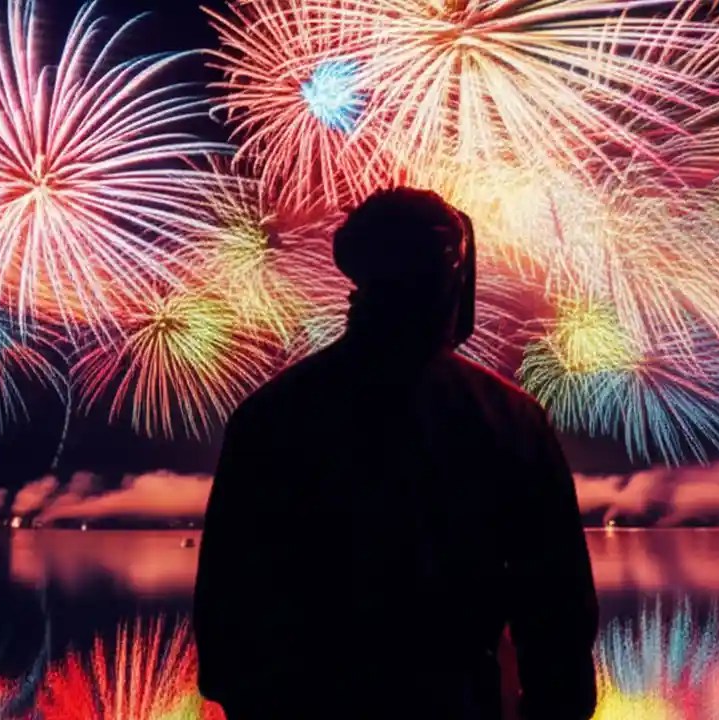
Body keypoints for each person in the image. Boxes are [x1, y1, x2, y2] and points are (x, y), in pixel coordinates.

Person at [194, 188, 599, 720]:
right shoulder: (510, 420)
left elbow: (227, 624)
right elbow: (557, 618)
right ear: (452, 279)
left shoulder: (272, 415)